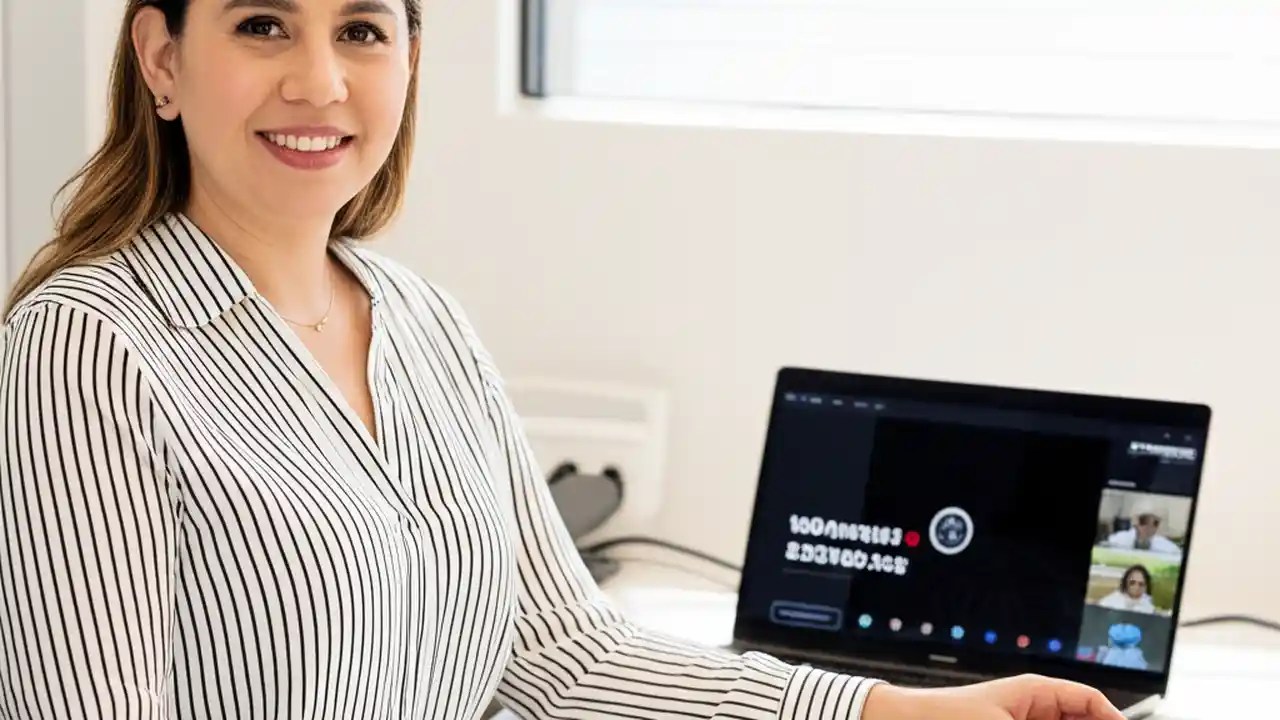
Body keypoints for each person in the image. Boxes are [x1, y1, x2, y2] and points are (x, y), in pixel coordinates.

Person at [0, 2, 1125, 719]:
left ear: (407, 58)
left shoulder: (424, 322)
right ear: (161, 60)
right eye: (260, 25)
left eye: (359, 30)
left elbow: (561, 656)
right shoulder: (86, 348)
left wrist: (899, 713)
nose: (319, 82)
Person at [1104, 503, 1183, 557]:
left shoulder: (1170, 550)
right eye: (1144, 521)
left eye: (1155, 523)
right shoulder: (1116, 541)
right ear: (1136, 522)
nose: (1148, 526)